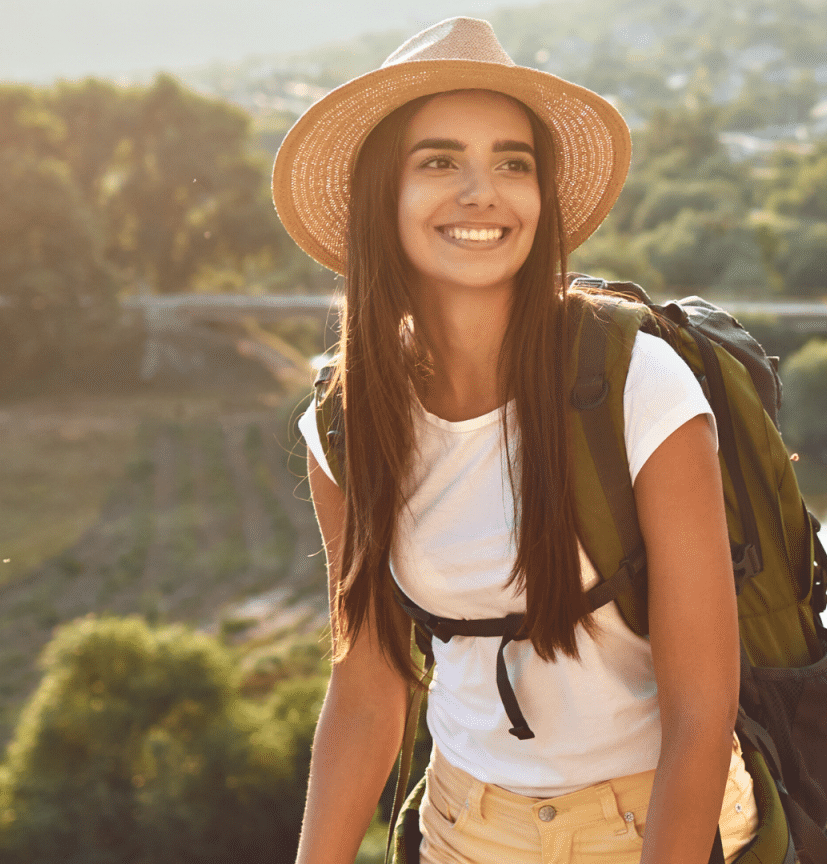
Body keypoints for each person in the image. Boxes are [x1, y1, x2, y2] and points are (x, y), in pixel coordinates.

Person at [272, 17, 758, 864]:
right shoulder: (346, 428)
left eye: (512, 162)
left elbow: (701, 710)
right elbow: (367, 689)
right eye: (438, 161)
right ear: (383, 195)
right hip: (463, 831)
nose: (481, 191)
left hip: (654, 825)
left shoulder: (640, 389)